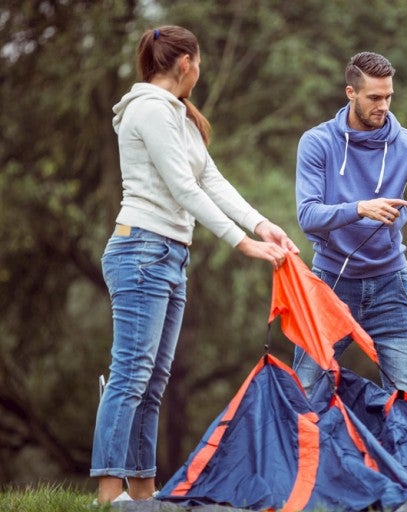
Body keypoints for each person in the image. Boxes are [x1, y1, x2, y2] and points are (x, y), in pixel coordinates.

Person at [90, 25, 299, 505]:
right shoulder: (148, 110)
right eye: (199, 65)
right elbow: (185, 190)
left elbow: (211, 179)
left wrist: (262, 225)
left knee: (153, 378)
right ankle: (107, 495)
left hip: (168, 255)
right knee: (130, 373)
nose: (199, 74)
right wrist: (240, 243)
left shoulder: (179, 118)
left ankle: (142, 493)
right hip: (141, 249)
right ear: (185, 63)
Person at [292, 51, 407, 396]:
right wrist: (360, 208)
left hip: (390, 288)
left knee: (406, 403)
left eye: (389, 96)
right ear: (351, 93)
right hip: (331, 283)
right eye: (374, 97)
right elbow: (308, 216)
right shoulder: (317, 142)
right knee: (305, 397)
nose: (384, 105)